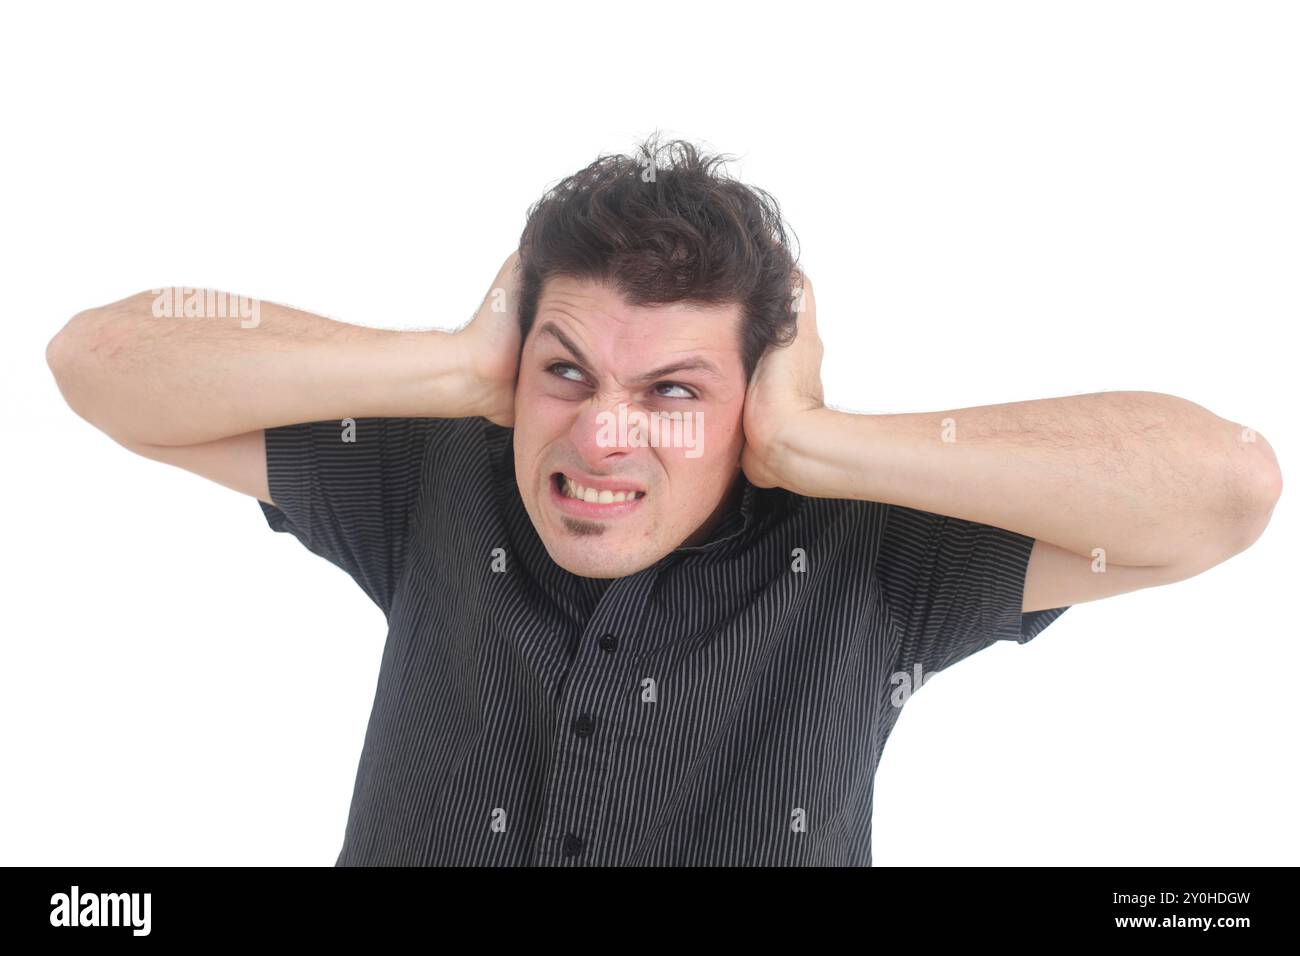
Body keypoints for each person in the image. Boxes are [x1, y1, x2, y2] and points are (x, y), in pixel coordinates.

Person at [46, 136, 1282, 866]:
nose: (600, 434)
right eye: (566, 370)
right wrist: (456, 364)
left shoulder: (870, 553)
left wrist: (815, 442)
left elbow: (1224, 489)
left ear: (750, 402)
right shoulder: (435, 479)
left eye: (675, 389)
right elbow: (95, 364)